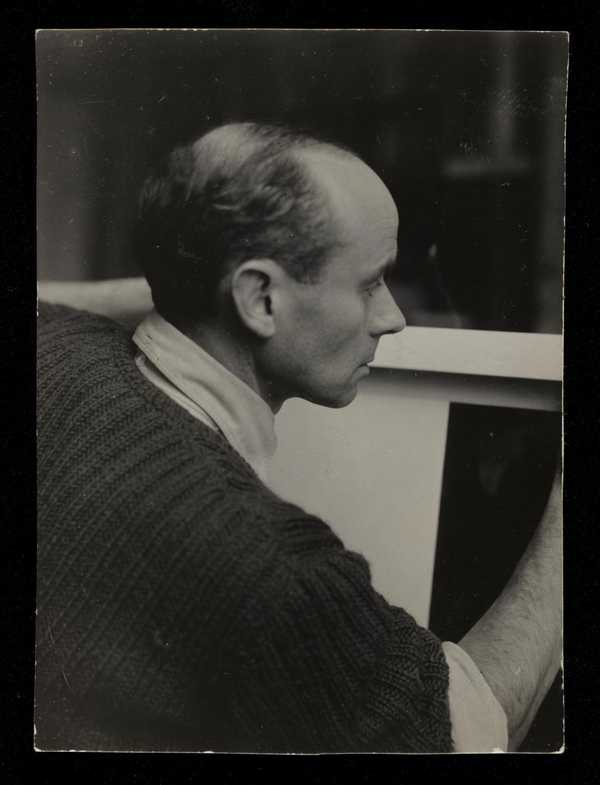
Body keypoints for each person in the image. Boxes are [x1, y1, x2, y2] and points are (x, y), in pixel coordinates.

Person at [36, 122, 562, 753]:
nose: (393, 317)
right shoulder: (277, 570)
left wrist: (192, 283)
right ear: (259, 299)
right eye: (370, 283)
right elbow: (459, 734)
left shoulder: (54, 347)